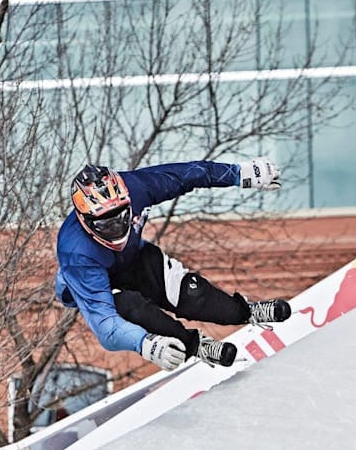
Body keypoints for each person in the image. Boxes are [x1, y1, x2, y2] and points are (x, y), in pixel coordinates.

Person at [54, 158, 293, 372]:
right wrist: (146, 344)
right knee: (132, 307)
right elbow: (107, 328)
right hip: (96, 280)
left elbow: (188, 174)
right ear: (84, 220)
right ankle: (194, 345)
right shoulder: (75, 252)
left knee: (190, 292)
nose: (117, 228)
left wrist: (238, 173)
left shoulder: (137, 187)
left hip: (135, 258)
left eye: (122, 216)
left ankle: (245, 311)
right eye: (106, 225)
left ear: (127, 199)